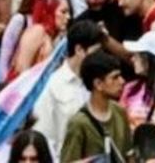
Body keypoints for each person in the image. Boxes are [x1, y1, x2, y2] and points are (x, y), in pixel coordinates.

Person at [33, 20, 103, 157]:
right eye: (96, 52)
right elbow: (44, 138)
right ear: (79, 50)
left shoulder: (98, 84)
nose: (99, 58)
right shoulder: (53, 85)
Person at [60, 50, 132, 162]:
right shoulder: (79, 123)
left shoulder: (120, 112)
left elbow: (128, 155)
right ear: (98, 84)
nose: (122, 81)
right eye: (115, 77)